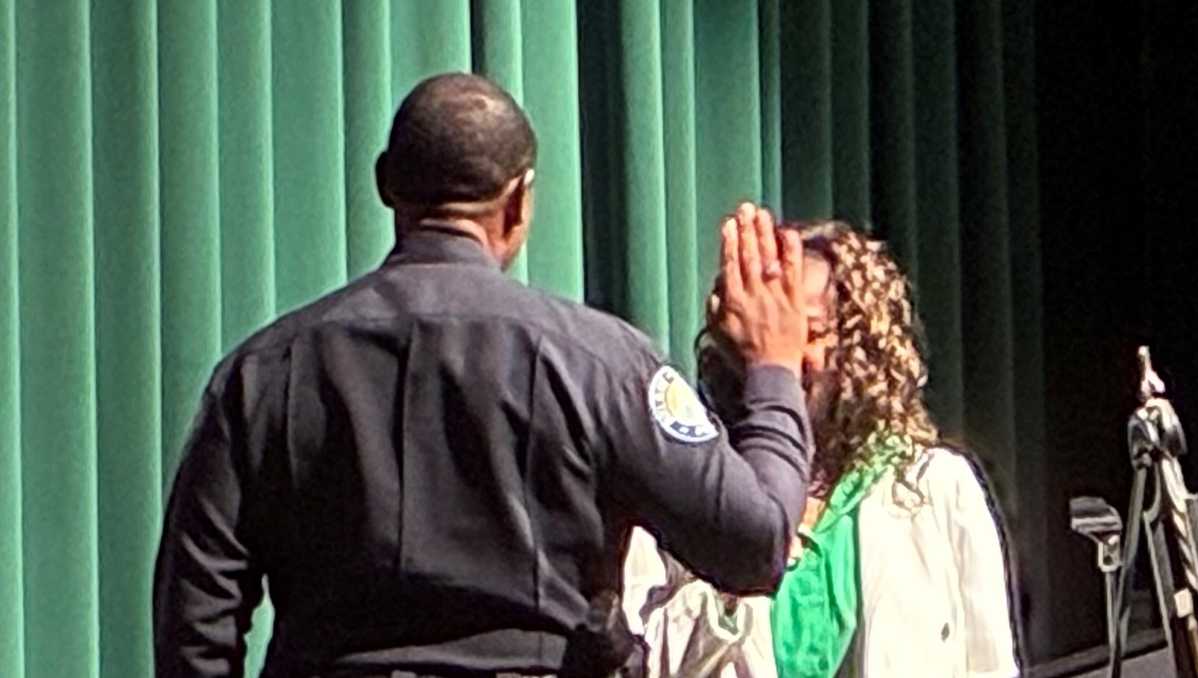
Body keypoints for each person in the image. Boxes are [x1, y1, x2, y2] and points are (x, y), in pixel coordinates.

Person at [153, 72, 815, 678]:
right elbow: (753, 544)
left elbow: (196, 622)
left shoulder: (266, 372)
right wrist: (774, 371)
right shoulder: (601, 365)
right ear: (519, 201)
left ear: (387, 184)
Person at [623, 219, 1021, 677]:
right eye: (766, 334)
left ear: (858, 346)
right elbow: (646, 657)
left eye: (807, 333)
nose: (785, 356)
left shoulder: (936, 488)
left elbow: (991, 666)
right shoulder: (688, 486)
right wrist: (731, 569)